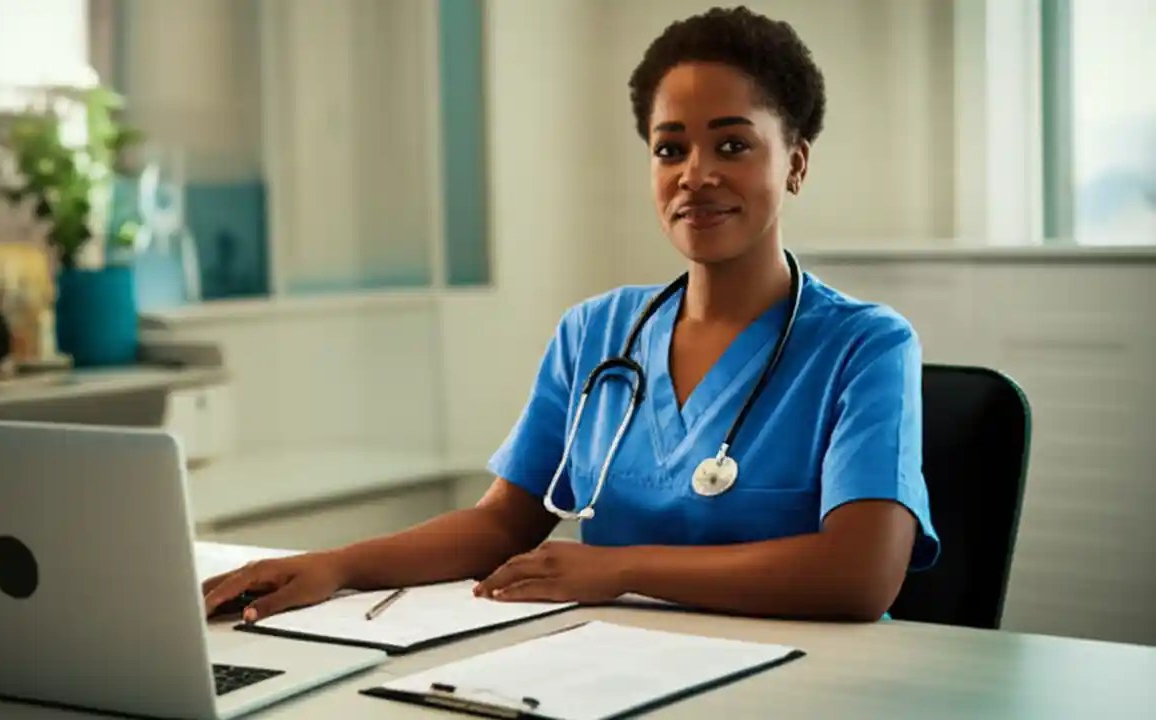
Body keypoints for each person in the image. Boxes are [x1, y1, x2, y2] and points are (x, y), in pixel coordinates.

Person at [202, 6, 939, 624]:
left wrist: (620, 568)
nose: (696, 174)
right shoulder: (596, 333)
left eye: (732, 144)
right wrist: (336, 566)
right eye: (669, 148)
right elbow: (501, 524)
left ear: (796, 163)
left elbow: (860, 575)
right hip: (611, 667)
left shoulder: (865, 347)